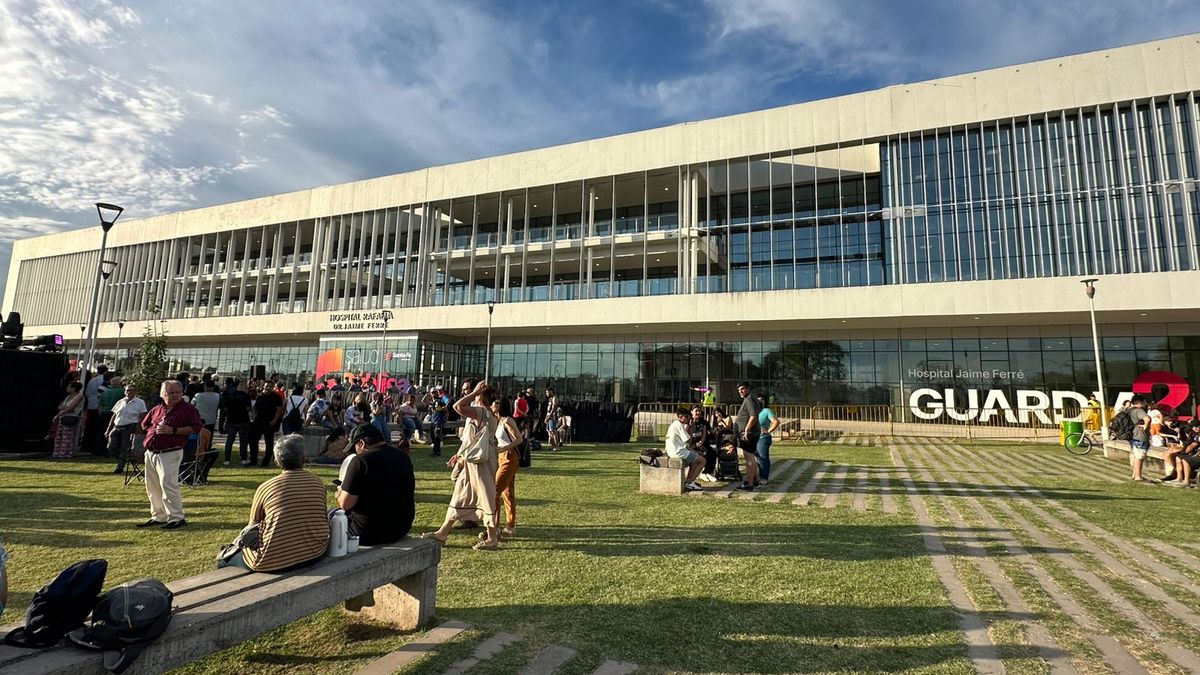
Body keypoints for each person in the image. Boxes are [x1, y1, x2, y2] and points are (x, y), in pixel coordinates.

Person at [220, 435, 329, 571]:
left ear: (277, 461)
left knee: (224, 560)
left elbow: (252, 526)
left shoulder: (267, 487)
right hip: (315, 552)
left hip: (272, 561)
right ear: (303, 459)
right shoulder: (317, 483)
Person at [423, 380, 501, 551]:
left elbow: (457, 407)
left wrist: (473, 394)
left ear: (480, 395)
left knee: (485, 494)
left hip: (482, 462)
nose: (466, 394)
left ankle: (492, 537)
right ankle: (443, 532)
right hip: (471, 461)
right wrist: (459, 454)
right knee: (461, 492)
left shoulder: (482, 411)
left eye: (472, 392)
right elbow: (470, 438)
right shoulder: (482, 412)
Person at [138, 380, 202, 529]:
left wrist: (172, 430)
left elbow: (196, 427)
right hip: (152, 452)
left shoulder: (188, 410)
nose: (174, 395)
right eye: (170, 393)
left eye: (177, 392)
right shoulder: (157, 409)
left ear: (182, 393)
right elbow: (144, 424)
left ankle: (176, 517)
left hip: (170, 452)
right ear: (163, 394)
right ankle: (158, 515)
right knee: (152, 487)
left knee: (168, 484)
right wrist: (153, 432)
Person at [337, 423, 416, 545]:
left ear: (362, 443)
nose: (355, 452)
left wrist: (340, 492)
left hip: (368, 531)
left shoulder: (360, 461)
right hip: (401, 527)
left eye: (355, 448)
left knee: (331, 516)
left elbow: (345, 504)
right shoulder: (402, 456)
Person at [492, 397, 524, 537]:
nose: (492, 405)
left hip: (509, 457)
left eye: (494, 404)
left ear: (499, 406)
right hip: (502, 457)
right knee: (507, 492)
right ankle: (510, 526)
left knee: (495, 491)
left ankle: (495, 527)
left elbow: (519, 438)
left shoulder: (508, 420)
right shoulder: (498, 421)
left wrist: (504, 448)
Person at [106, 384, 148, 474]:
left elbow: (143, 415)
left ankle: (120, 466)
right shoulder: (120, 402)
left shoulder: (140, 402)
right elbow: (114, 415)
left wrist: (139, 427)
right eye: (128, 390)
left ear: (135, 392)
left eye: (132, 390)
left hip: (129, 427)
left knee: (124, 447)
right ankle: (126, 458)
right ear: (125, 392)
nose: (129, 392)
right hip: (117, 426)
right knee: (111, 446)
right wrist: (108, 428)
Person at [665, 408, 705, 491]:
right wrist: (691, 428)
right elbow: (689, 441)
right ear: (680, 417)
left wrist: (695, 452)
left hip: (675, 450)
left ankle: (689, 481)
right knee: (703, 461)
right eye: (686, 417)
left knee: (695, 461)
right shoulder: (679, 425)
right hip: (678, 452)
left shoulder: (675, 424)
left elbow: (686, 445)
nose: (688, 418)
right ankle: (690, 482)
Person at [246, 383, 284, 467]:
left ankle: (265, 462)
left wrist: (274, 420)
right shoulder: (260, 397)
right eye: (267, 386)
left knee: (269, 443)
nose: (268, 388)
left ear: (273, 387)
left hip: (269, 423)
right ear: (264, 386)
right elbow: (255, 407)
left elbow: (279, 409)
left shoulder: (276, 397)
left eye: (270, 386)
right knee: (253, 441)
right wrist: (254, 414)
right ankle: (253, 460)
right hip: (258, 421)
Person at [735, 381, 762, 491]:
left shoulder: (749, 399)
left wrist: (746, 429)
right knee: (751, 457)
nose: (741, 391)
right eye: (739, 390)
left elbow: (753, 416)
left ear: (748, 388)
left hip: (749, 434)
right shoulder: (751, 399)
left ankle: (749, 483)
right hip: (752, 433)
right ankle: (754, 480)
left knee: (749, 458)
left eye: (743, 389)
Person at [221, 380, 253, 466]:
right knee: (243, 441)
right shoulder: (246, 396)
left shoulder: (229, 395)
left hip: (231, 420)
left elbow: (225, 409)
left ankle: (227, 459)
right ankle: (243, 458)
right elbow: (248, 408)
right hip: (243, 420)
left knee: (229, 441)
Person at [51, 381, 86, 459]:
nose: (67, 388)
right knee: (59, 436)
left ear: (73, 388)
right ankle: (57, 453)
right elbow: (59, 406)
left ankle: (66, 453)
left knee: (67, 436)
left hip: (71, 418)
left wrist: (62, 410)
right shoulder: (68, 397)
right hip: (62, 417)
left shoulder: (79, 396)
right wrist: (65, 408)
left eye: (69, 387)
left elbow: (72, 407)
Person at [83, 365, 110, 455]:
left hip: (90, 405)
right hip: (98, 406)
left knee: (90, 427)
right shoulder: (102, 380)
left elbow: (86, 393)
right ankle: (96, 447)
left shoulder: (92, 380)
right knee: (98, 428)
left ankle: (87, 445)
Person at [688, 406, 716, 483]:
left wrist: (701, 442)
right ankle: (697, 474)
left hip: (703, 443)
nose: (698, 413)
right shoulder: (689, 422)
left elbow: (707, 433)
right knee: (698, 454)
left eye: (699, 411)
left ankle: (708, 471)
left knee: (712, 452)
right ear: (692, 412)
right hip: (691, 444)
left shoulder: (704, 422)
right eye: (696, 411)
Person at [755, 393, 779, 485]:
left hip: (763, 438)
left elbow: (776, 421)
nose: (760, 401)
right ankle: (756, 477)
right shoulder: (753, 411)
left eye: (762, 400)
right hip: (753, 438)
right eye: (758, 400)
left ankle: (764, 478)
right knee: (756, 458)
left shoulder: (767, 411)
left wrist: (768, 431)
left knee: (763, 458)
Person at [1127, 395, 1151, 482]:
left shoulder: (1129, 411)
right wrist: (1145, 426)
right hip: (1140, 436)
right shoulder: (1139, 411)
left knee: (1135, 455)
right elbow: (1147, 419)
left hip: (1132, 435)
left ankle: (1135, 474)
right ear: (1139, 402)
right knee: (1139, 456)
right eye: (1144, 402)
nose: (1145, 404)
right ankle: (1138, 476)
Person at [424, 386, 450, 457]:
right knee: (433, 437)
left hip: (439, 421)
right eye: (432, 392)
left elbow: (446, 410)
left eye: (434, 392)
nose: (433, 394)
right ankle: (436, 452)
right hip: (433, 421)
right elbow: (424, 401)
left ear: (437, 393)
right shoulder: (433, 402)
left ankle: (436, 452)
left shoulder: (440, 400)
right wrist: (427, 394)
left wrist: (445, 419)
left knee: (437, 438)